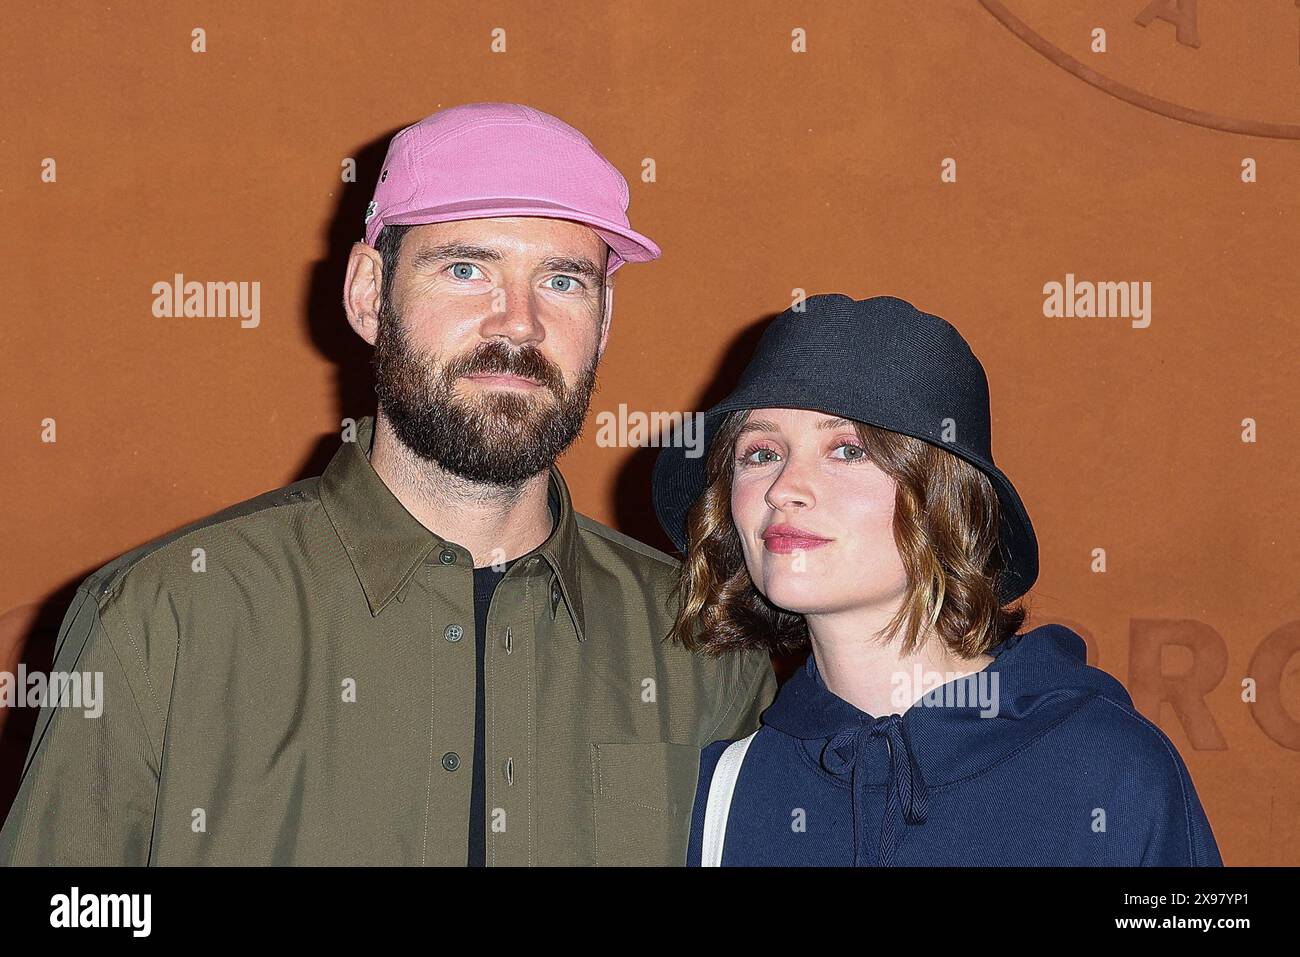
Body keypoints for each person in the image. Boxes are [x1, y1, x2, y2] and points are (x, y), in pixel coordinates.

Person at [0, 102, 776, 866]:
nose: (518, 323)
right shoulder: (161, 617)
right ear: (370, 293)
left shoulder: (703, 639)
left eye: (563, 281)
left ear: (603, 323)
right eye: (466, 269)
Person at [652, 293, 1222, 866]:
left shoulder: (1107, 770)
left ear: (946, 499)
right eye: (759, 453)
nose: (784, 488)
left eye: (847, 450)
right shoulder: (723, 791)